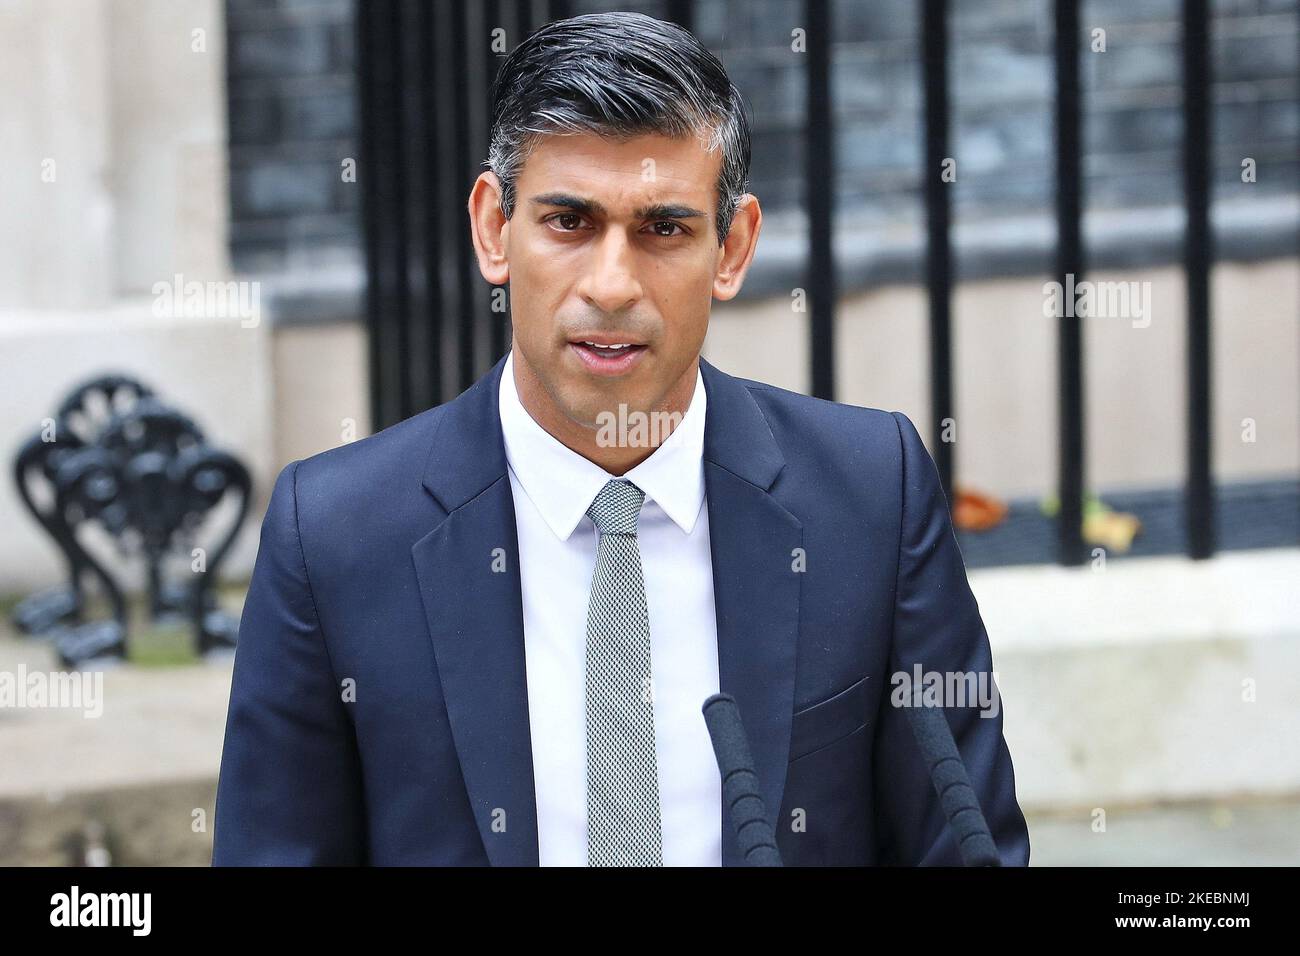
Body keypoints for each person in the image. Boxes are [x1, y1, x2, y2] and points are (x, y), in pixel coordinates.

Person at [213, 11, 1029, 867]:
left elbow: (965, 843)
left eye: (662, 229)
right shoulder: (334, 536)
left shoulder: (871, 495)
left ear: (733, 246)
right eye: (568, 222)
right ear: (495, 228)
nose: (610, 285)